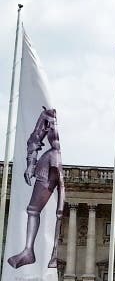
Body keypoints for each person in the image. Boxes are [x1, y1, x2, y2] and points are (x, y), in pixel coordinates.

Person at [7, 107, 64, 269]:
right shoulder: (48, 114)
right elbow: (34, 140)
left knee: (59, 210)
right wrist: (30, 165)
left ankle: (39, 252)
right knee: (33, 210)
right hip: (48, 164)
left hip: (57, 166)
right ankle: (28, 250)